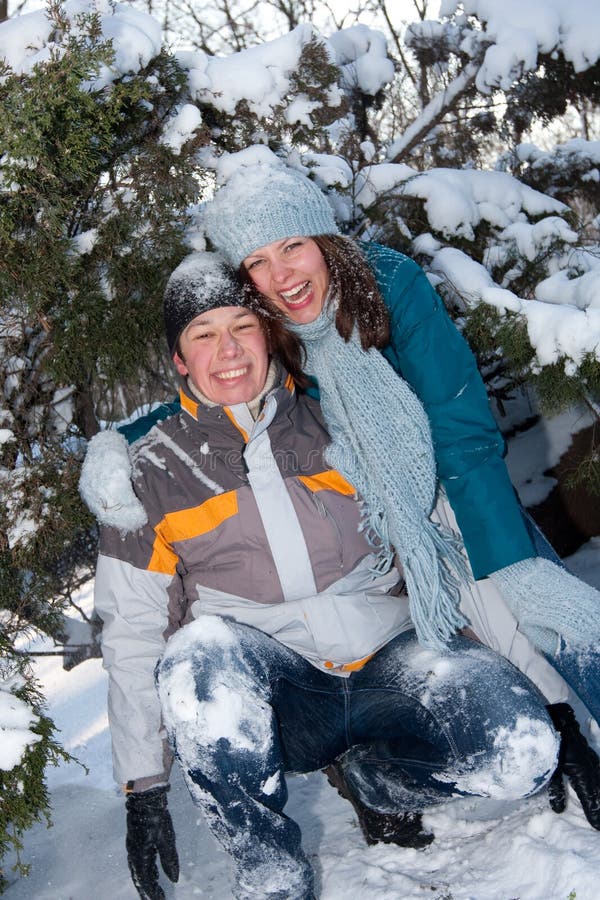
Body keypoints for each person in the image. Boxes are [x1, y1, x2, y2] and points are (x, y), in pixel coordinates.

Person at [82, 252, 560, 900]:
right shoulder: (146, 476)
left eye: (242, 328)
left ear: (268, 334)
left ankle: (379, 780)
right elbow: (133, 634)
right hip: (281, 698)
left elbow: (454, 553)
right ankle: (272, 873)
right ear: (178, 359)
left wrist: (550, 697)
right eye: (203, 335)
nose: (228, 351)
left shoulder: (349, 428)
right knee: (199, 655)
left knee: (524, 748)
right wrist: (143, 784)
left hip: (395, 660)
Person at [202, 161, 600, 804]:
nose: (282, 277)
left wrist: (499, 551)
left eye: (292, 247)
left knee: (531, 595)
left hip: (448, 476)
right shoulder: (265, 332)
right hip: (370, 526)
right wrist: (116, 447)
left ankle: (567, 734)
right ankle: (557, 740)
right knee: (487, 626)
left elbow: (457, 418)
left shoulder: (389, 285)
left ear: (321, 239)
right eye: (257, 262)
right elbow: (210, 383)